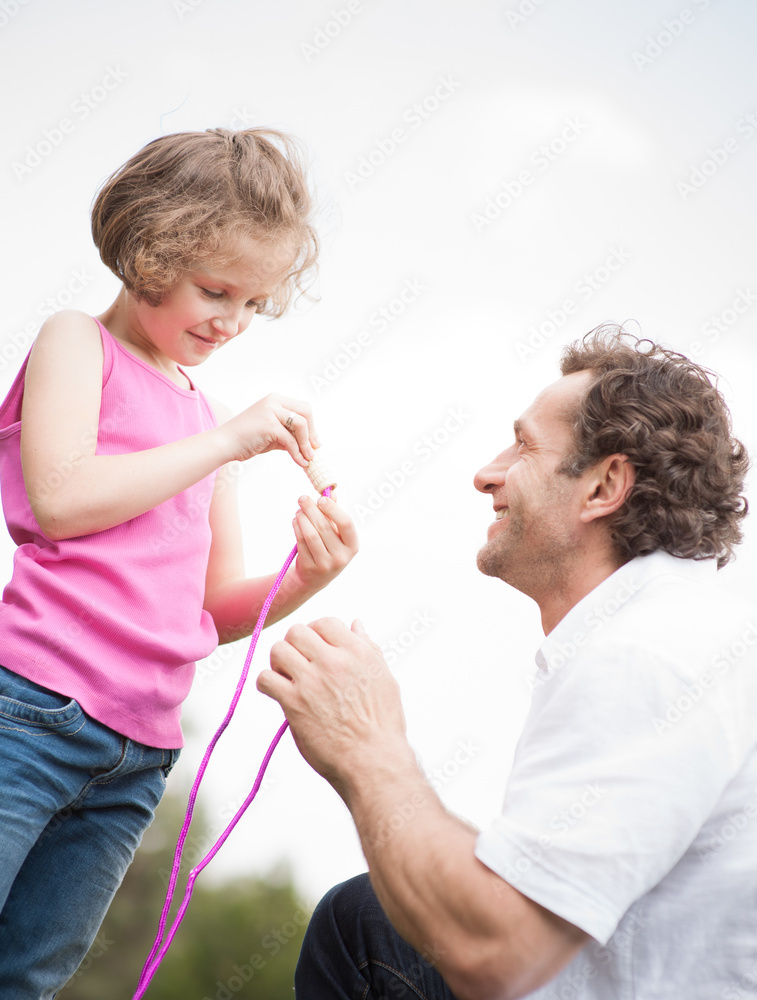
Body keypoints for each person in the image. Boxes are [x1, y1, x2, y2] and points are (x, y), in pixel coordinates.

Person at [0, 127, 358, 996]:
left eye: (254, 303)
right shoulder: (79, 344)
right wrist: (222, 443)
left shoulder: (206, 421)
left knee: (19, 975)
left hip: (138, 751)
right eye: (215, 290)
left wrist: (305, 578)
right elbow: (62, 497)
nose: (232, 320)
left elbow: (210, 613)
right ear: (148, 251)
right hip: (29, 710)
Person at [259, 326, 756, 1000]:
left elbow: (499, 954)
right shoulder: (670, 632)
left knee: (368, 926)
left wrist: (365, 746)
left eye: (522, 446)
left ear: (603, 485)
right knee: (366, 921)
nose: (485, 473)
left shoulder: (645, 658)